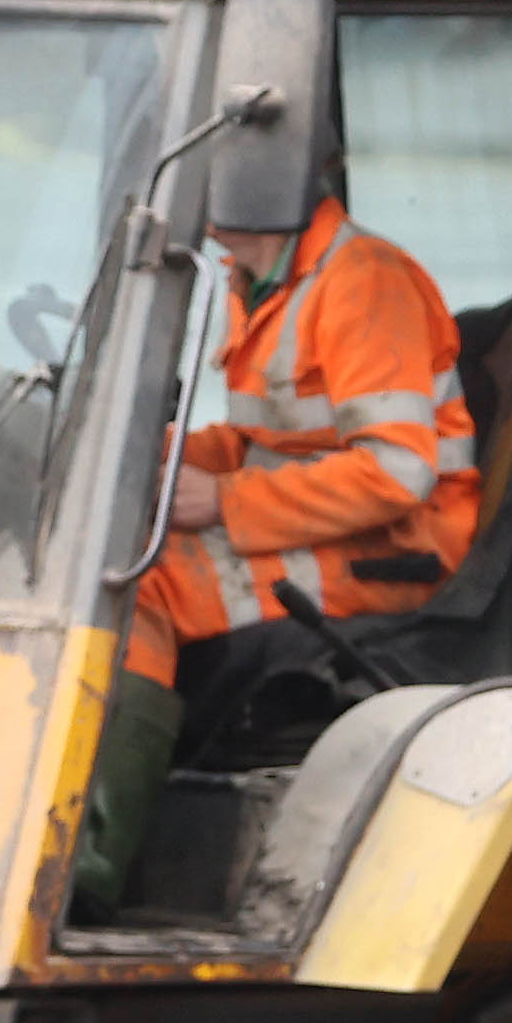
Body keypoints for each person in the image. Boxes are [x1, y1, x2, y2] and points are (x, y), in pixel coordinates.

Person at [72, 180, 475, 911]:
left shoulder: (365, 282)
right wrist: (144, 450)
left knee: (136, 581)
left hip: (398, 550)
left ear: (259, 157)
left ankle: (85, 868)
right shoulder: (255, 278)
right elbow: (268, 440)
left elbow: (396, 472)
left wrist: (224, 501)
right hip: (318, 526)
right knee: (98, 549)